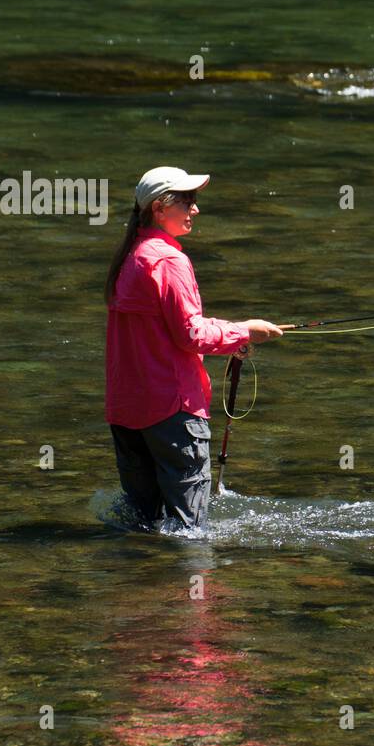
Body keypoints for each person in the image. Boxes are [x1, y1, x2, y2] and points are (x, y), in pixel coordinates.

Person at [103, 166, 291, 532]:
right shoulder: (170, 261)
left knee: (142, 526)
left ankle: (138, 584)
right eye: (187, 200)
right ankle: (188, 587)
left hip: (126, 412)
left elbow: (169, 330)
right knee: (189, 531)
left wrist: (235, 332)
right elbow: (190, 335)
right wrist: (243, 332)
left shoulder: (131, 257)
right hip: (172, 412)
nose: (195, 209)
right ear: (159, 208)